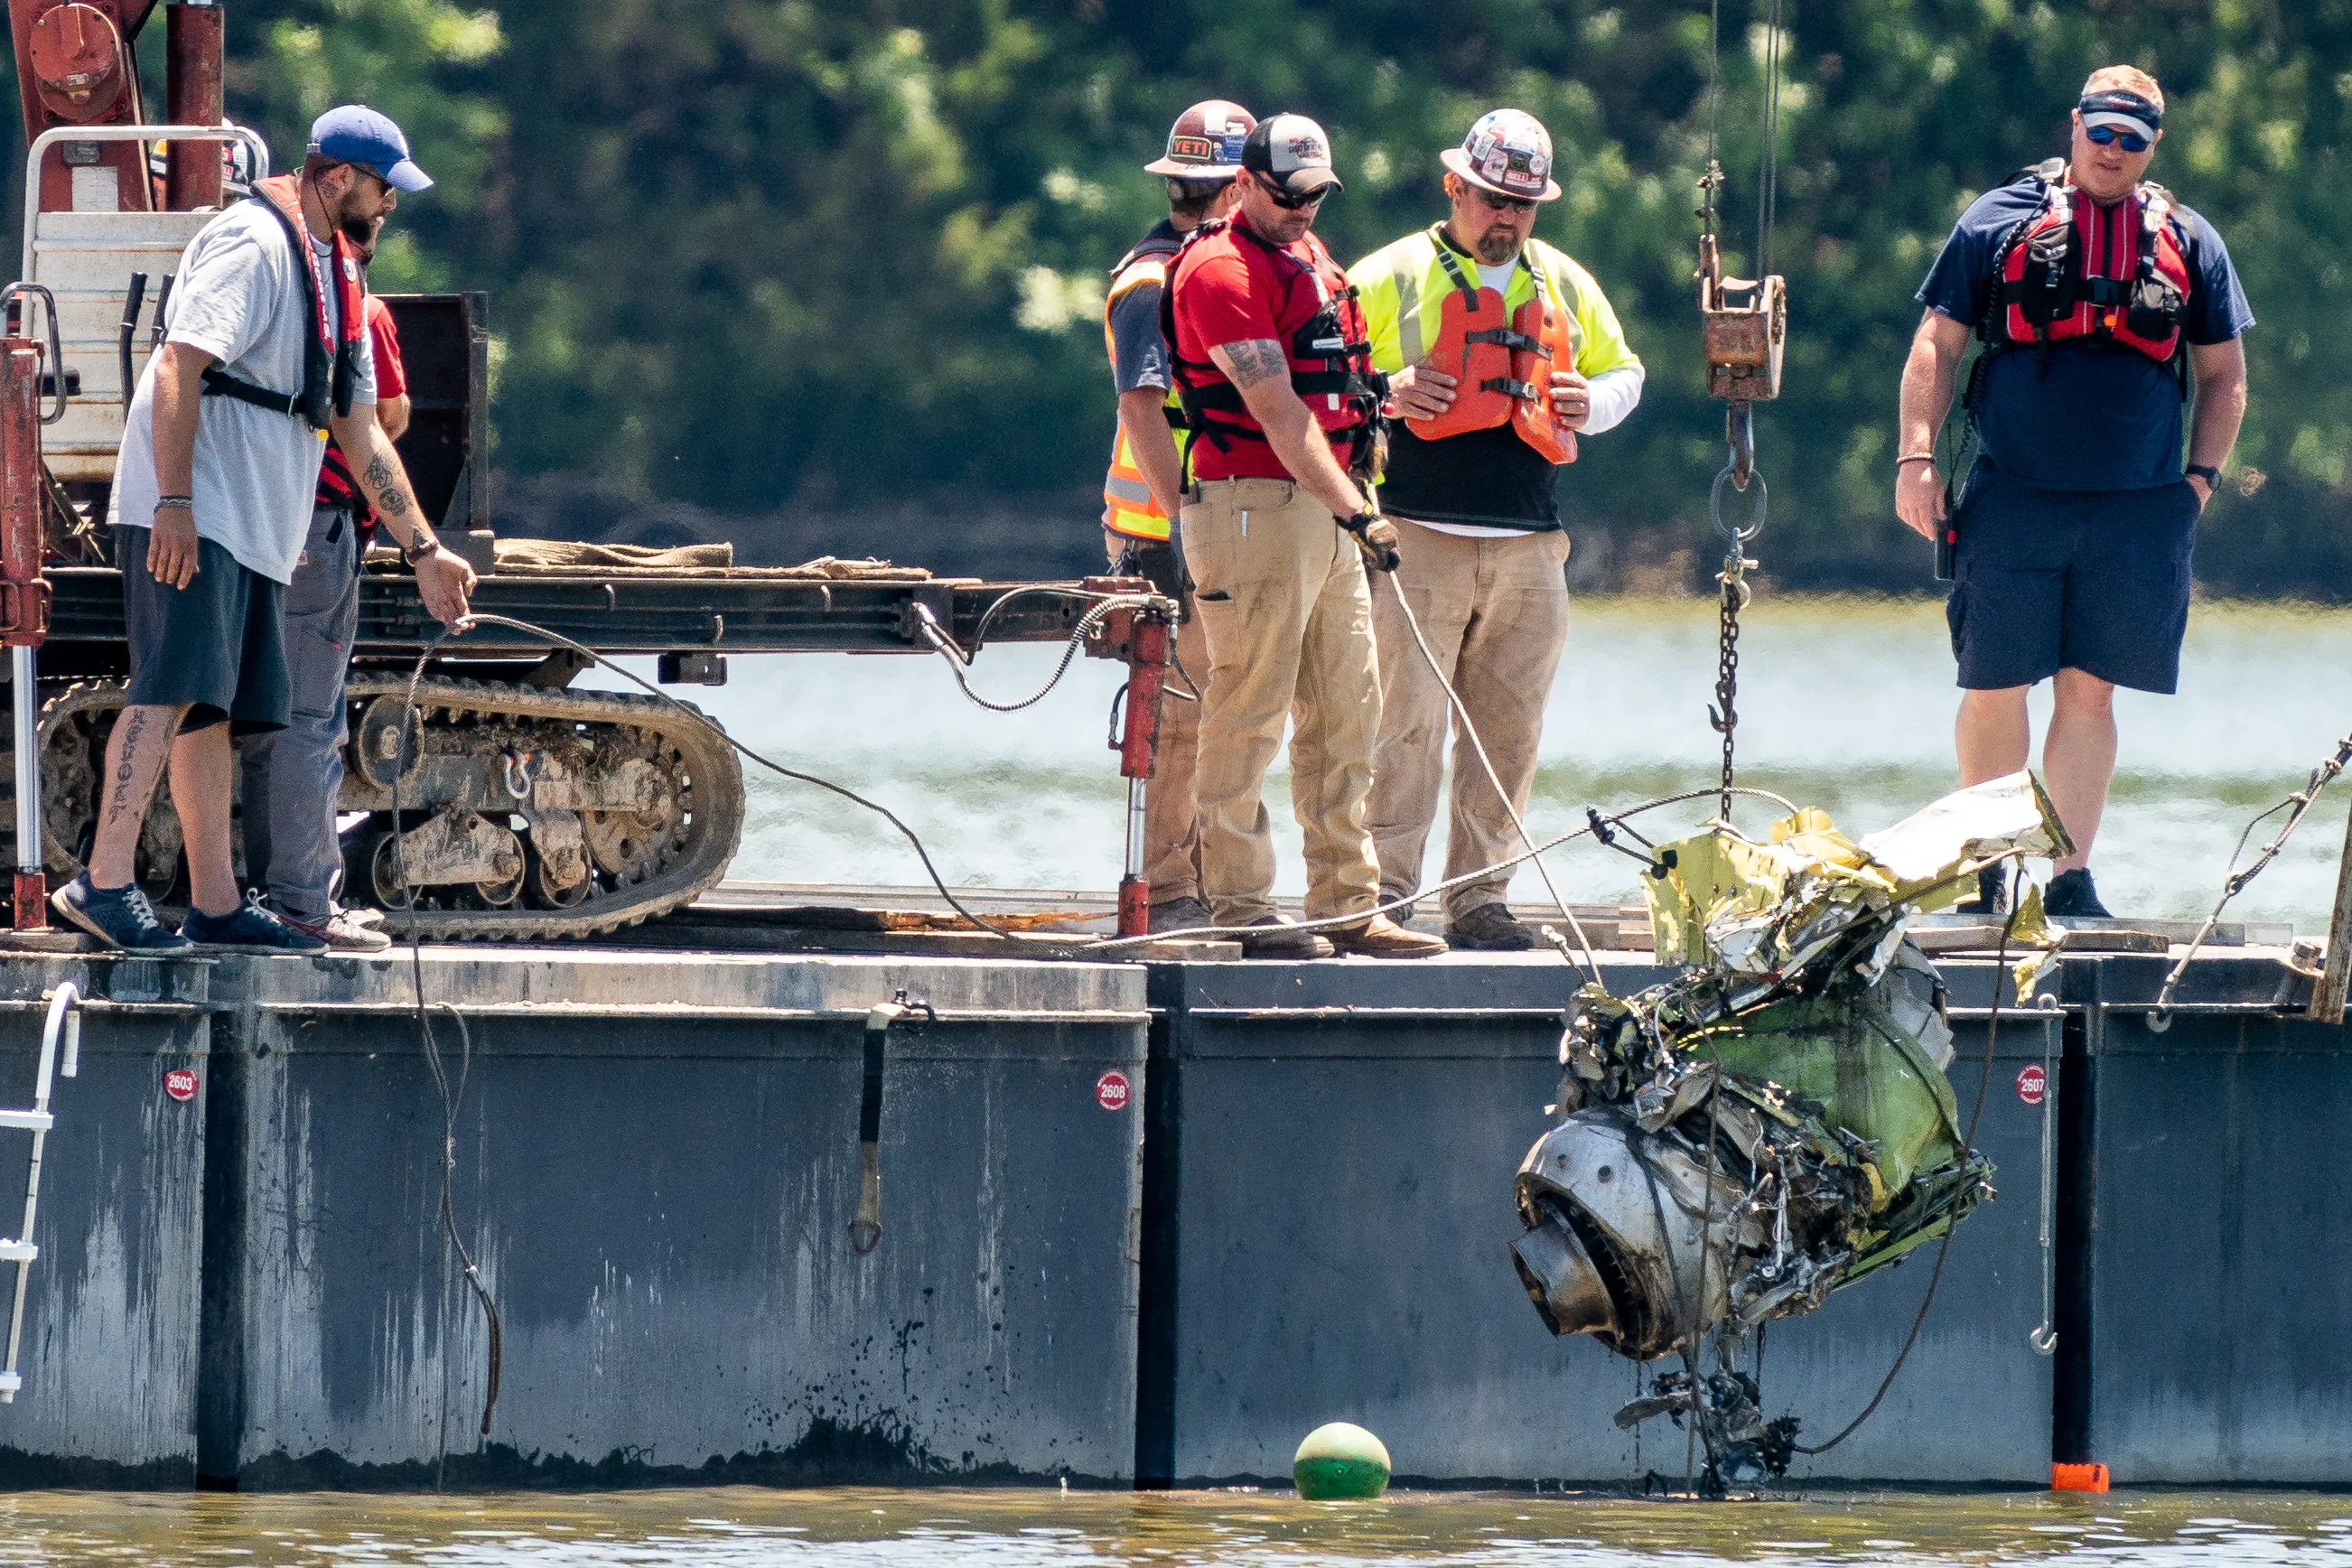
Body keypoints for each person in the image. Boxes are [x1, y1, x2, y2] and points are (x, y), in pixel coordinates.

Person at [51, 106, 476, 952]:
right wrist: (174, 501)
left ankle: (215, 901)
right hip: (197, 509)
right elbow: (180, 363)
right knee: (168, 688)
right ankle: (102, 883)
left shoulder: (337, 273)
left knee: (212, 706)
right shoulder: (253, 241)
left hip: (252, 524)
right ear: (339, 178)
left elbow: (358, 426)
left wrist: (424, 547)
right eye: (384, 190)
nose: (390, 207)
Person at [1895, 66, 2251, 918]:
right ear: (2075, 126)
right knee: (1994, 682)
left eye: (2132, 138)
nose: (2113, 150)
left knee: (2091, 689)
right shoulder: (1997, 221)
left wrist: (2197, 484)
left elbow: (2224, 375)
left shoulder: (2191, 240)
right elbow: (1937, 346)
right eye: (2102, 131)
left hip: (2137, 507)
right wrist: (1916, 458)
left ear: (2153, 146)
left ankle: (2071, 878)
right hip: (2013, 497)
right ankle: (1988, 870)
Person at [1349, 109, 1645, 950]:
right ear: (1455, 188)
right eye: (1489, 198)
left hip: (1529, 544)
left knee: (1509, 733)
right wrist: (1388, 387)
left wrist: (1601, 402)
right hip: (1414, 533)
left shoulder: (1562, 282)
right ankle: (1385, 900)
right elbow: (1325, 368)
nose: (1504, 217)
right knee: (1403, 726)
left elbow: (1626, 369)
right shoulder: (1392, 273)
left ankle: (1480, 901)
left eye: (1522, 203)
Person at [1162, 113, 1442, 960]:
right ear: (1242, 183)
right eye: (1287, 196)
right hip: (1253, 506)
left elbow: (1329, 388)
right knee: (1249, 708)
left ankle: (1349, 905)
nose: (1303, 211)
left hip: (1322, 506)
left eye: (1317, 196)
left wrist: (1381, 397)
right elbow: (1279, 413)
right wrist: (1359, 509)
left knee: (1348, 710)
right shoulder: (1219, 271)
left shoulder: (1307, 258)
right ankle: (1243, 909)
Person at [238, 207, 414, 953]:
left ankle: (252, 887)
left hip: (256, 515)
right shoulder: (358, 309)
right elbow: (385, 417)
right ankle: (304, 900)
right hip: (321, 517)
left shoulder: (268, 294)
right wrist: (423, 545)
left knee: (250, 718)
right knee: (312, 719)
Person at [1098, 99, 1254, 934]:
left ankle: (1204, 881)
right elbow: (1142, 405)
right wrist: (1186, 515)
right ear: (1235, 189)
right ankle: (1170, 890)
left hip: (1197, 519)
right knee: (1184, 716)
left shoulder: (1206, 269)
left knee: (1219, 709)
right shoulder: (1154, 280)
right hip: (1167, 530)